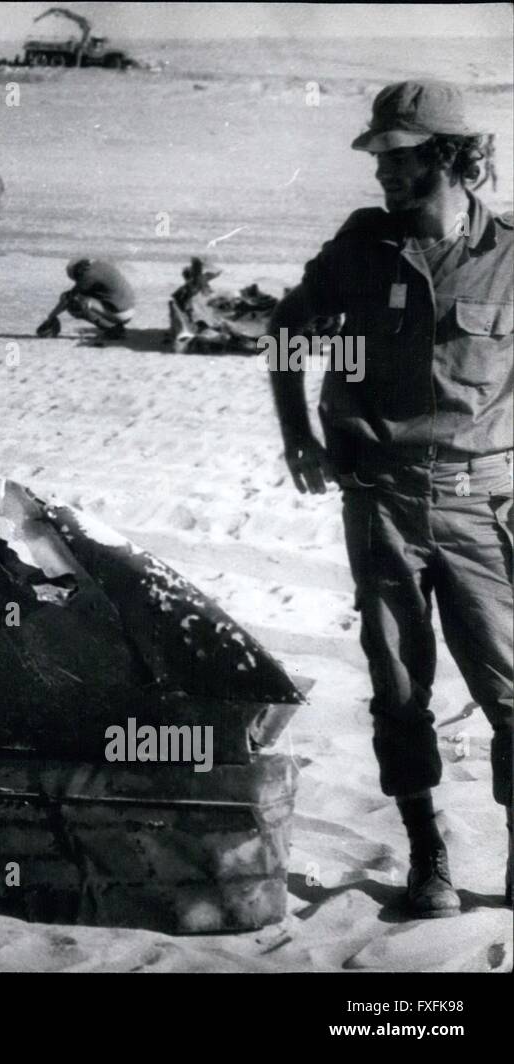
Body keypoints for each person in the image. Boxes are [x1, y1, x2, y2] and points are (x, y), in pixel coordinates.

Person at [266, 81, 512, 915]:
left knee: (509, 688)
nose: (382, 173)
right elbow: (288, 331)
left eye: (399, 158)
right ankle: (428, 856)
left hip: (484, 508)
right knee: (400, 687)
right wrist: (298, 432)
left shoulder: (511, 255)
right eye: (379, 157)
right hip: (381, 504)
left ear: (447, 157)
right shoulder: (361, 249)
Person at [37, 258, 136, 341]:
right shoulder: (99, 265)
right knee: (80, 298)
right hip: (129, 308)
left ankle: (112, 329)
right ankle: (116, 327)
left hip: (120, 313)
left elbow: (67, 299)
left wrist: (52, 316)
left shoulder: (87, 277)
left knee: (75, 304)